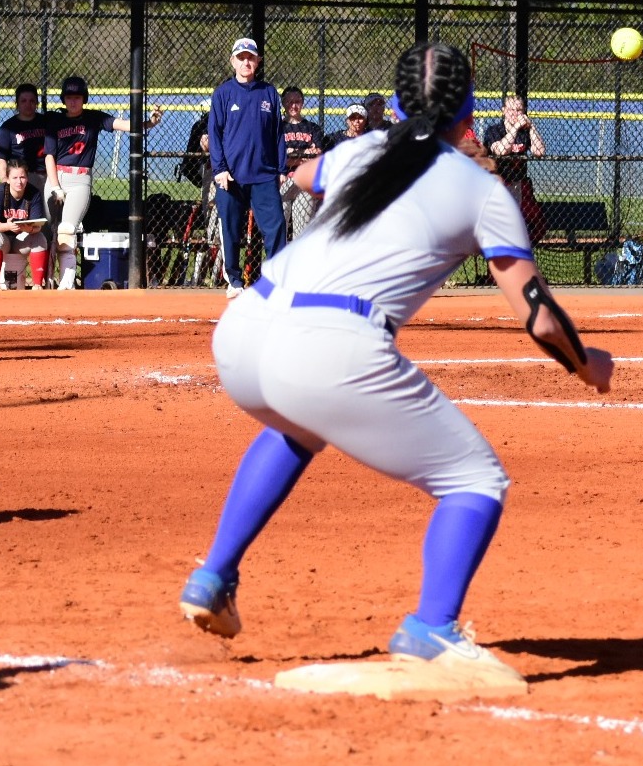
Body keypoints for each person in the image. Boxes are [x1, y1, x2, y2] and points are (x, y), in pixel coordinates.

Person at [177, 41, 614, 687]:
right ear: (469, 107)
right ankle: (432, 630)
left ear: (403, 97)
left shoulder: (362, 150)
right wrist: (587, 362)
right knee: (474, 480)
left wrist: (342, 174)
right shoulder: (480, 188)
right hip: (331, 342)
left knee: (296, 427)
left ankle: (213, 575)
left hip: (245, 328)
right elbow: (540, 317)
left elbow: (303, 175)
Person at [44, 75, 163, 290]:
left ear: (84, 98)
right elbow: (49, 156)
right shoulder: (55, 121)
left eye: (78, 97)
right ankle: (46, 280)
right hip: (57, 177)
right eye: (69, 97)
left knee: (67, 230)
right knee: (49, 232)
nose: (73, 101)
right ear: (63, 99)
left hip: (80, 179)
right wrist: (54, 187)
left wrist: (150, 123)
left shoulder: (93, 118)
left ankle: (67, 282)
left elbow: (125, 125)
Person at [208, 37, 288, 298]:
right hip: (231, 176)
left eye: (250, 57)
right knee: (230, 228)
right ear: (232, 61)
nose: (246, 61)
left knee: (275, 226)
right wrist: (219, 169)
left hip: (264, 175)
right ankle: (234, 279)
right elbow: (215, 134)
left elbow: (278, 133)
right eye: (241, 57)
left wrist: (281, 169)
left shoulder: (269, 93)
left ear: (258, 61)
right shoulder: (223, 93)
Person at [481, 95, 547, 243]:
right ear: (504, 110)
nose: (515, 113)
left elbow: (539, 152)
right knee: (502, 227)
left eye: (519, 110)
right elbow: (501, 150)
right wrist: (516, 127)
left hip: (520, 186)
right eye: (511, 110)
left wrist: (531, 127)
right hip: (498, 185)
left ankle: (521, 249)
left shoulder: (525, 133)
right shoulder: (494, 130)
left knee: (538, 225)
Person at [0, 163, 48, 290]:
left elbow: (38, 225)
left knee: (40, 238)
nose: (19, 182)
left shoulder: (34, 193)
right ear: (8, 179)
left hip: (20, 240)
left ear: (27, 178)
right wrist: (8, 226)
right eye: (15, 178)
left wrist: (31, 229)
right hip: (0, 239)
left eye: (22, 177)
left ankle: (37, 285)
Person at [278, 86, 325, 238]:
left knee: (302, 230)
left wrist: (290, 155)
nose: (294, 105)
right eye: (290, 102)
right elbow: (278, 158)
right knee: (280, 227)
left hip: (305, 182)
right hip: (283, 180)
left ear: (303, 103)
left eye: (297, 101)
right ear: (283, 103)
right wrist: (305, 154)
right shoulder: (278, 127)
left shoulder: (313, 128)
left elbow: (317, 156)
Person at [0, 83, 49, 191]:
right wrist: (5, 180)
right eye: (23, 101)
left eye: (32, 101)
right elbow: (1, 158)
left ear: (37, 103)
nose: (28, 104)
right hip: (20, 177)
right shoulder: (8, 127)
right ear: (17, 103)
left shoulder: (46, 122)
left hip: (45, 175)